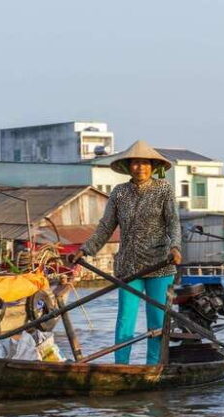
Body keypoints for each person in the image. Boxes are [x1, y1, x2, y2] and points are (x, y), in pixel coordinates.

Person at [72, 140, 182, 365]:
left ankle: (154, 366)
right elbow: (106, 226)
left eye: (145, 163)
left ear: (152, 166)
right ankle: (121, 365)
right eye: (135, 163)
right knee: (125, 319)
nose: (140, 168)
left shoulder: (163, 189)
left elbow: (173, 222)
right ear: (128, 167)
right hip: (128, 265)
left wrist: (175, 247)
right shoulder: (119, 193)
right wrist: (85, 250)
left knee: (157, 320)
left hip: (159, 263)